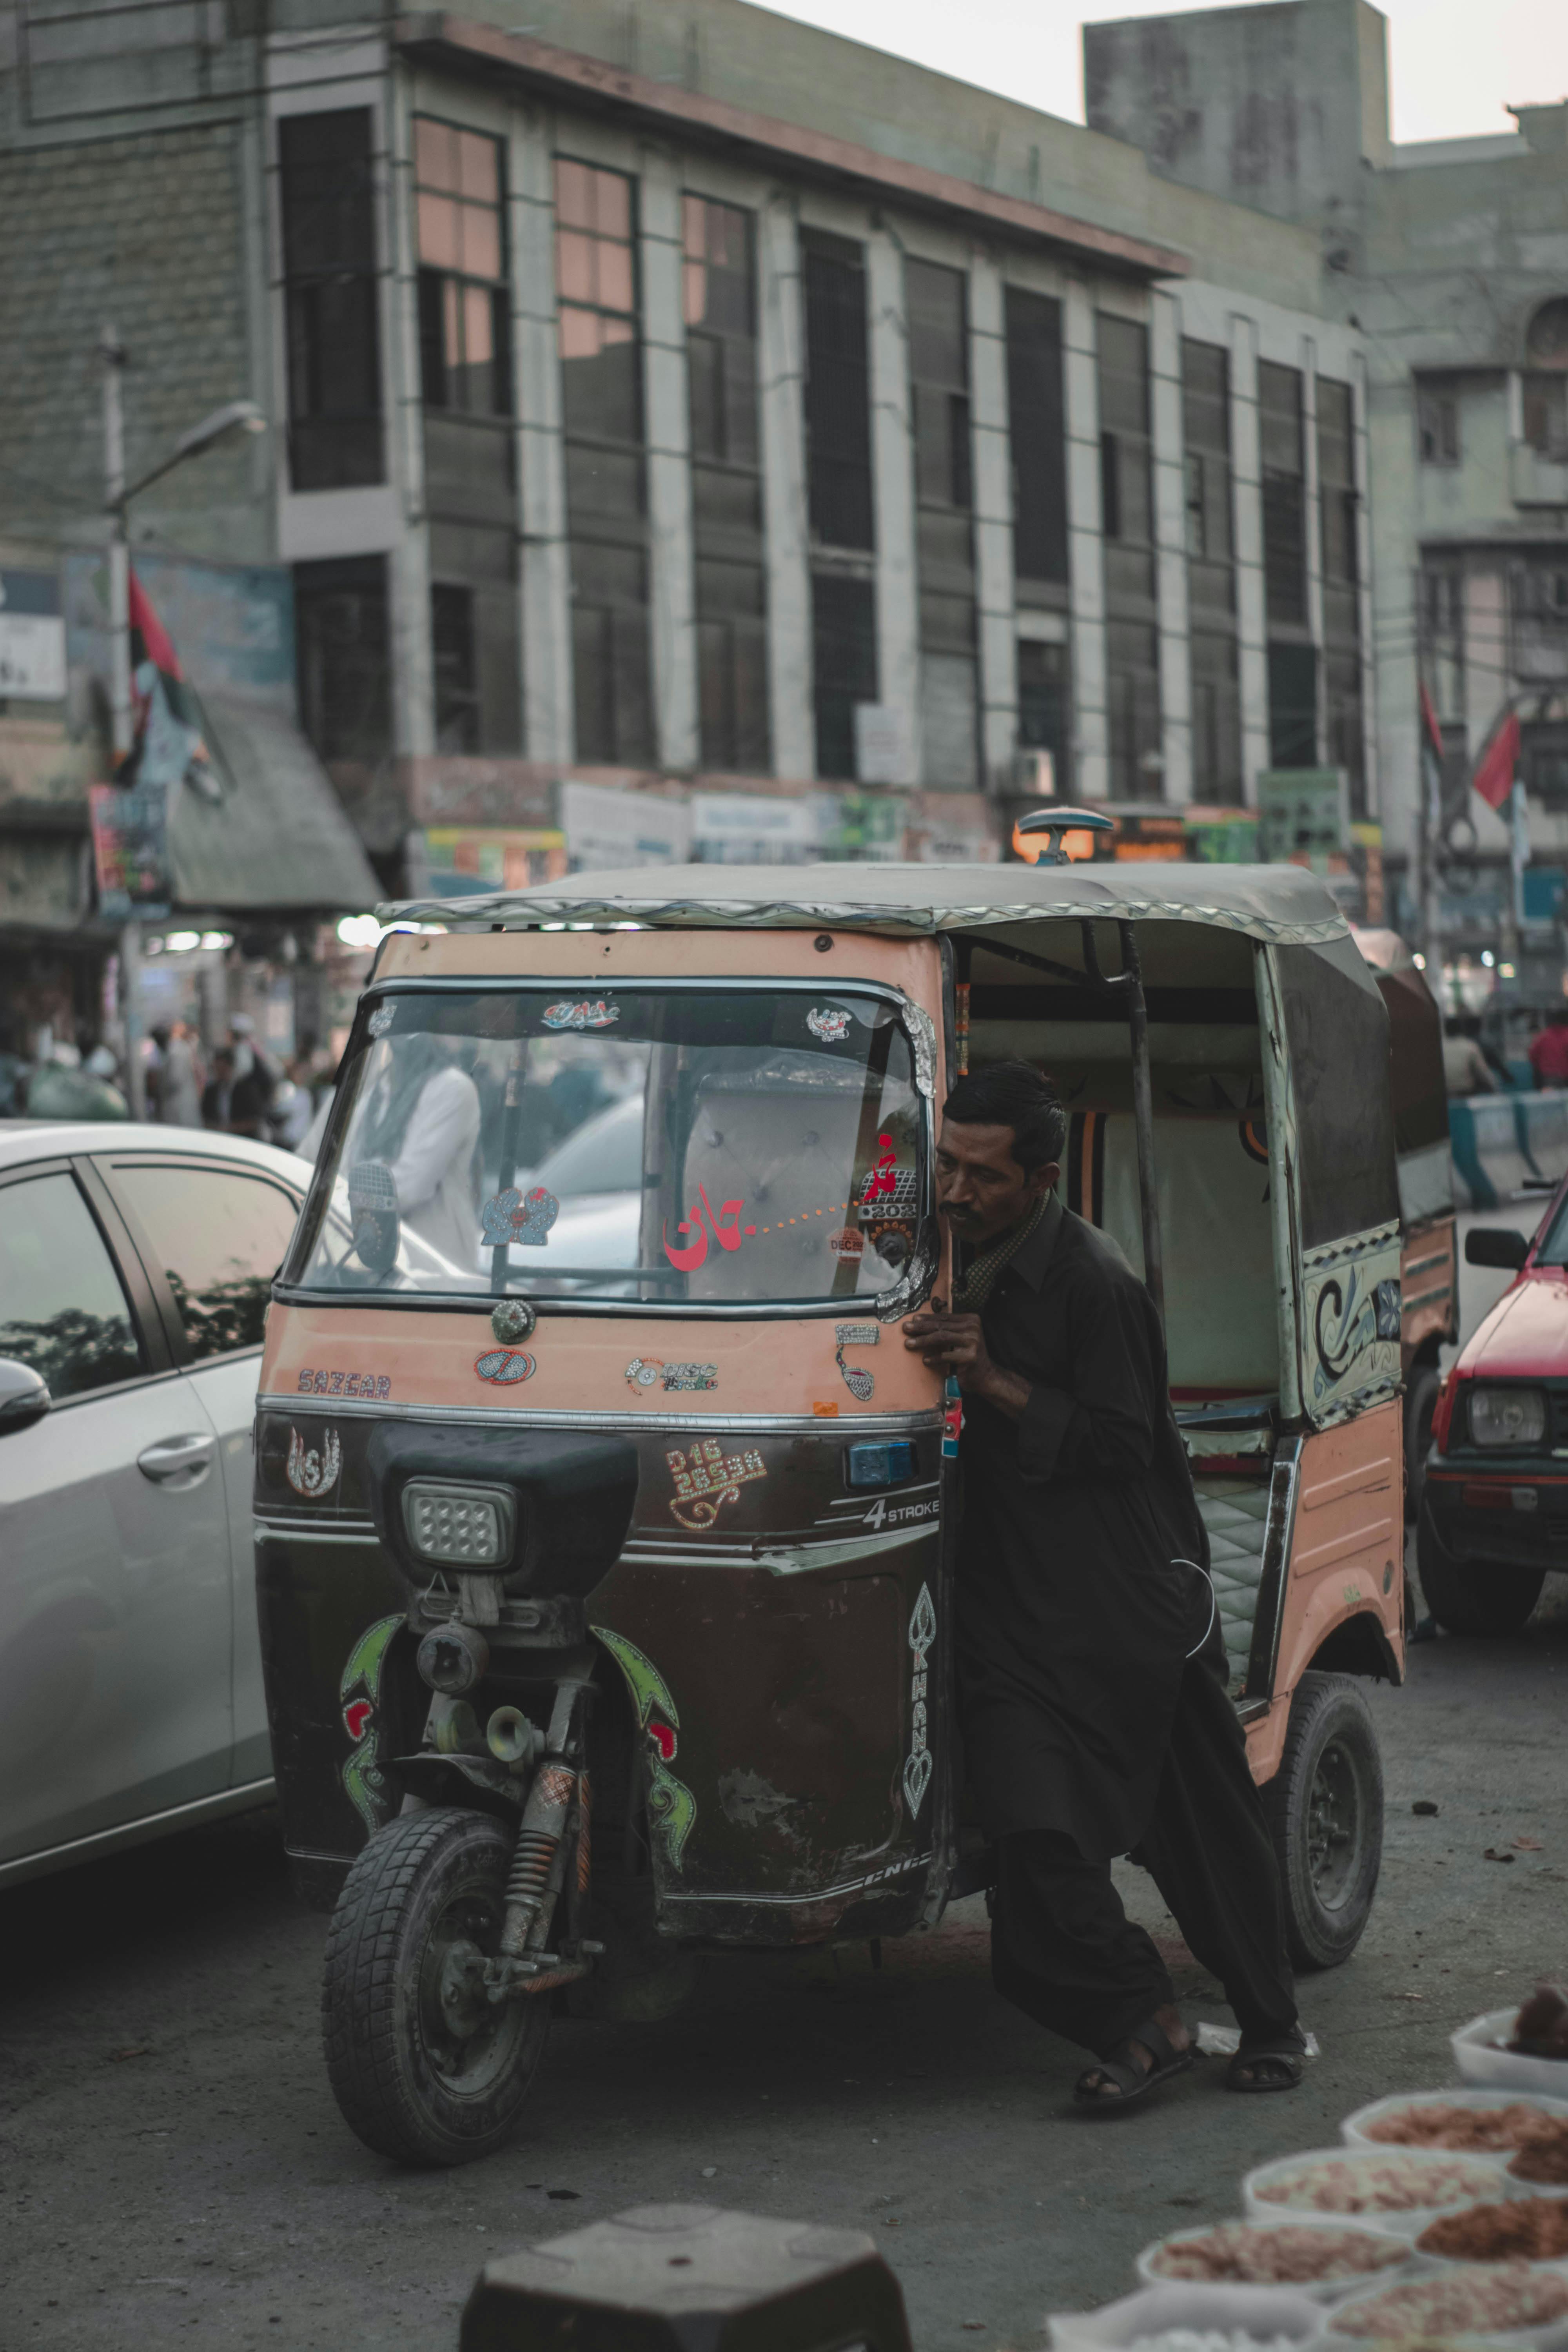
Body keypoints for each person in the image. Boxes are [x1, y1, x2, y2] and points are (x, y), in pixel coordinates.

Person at [902, 1060, 1304, 2111]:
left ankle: (1272, 2020)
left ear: (1038, 1179)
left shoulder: (1095, 1282)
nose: (954, 1190)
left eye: (980, 1176)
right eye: (946, 1163)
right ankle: (1145, 2020)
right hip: (1012, 1605)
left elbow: (1128, 1445)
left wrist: (990, 1378)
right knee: (1035, 1830)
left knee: (1205, 1829)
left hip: (1126, 1599)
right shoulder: (944, 1239)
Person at [352, 1033, 482, 1272]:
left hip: (435, 1268)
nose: (405, 1040)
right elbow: (341, 1169)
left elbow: (411, 1186)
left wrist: (351, 1195)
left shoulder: (451, 1088)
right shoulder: (376, 1093)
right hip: (376, 1263)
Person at [1443, 1014, 1498, 1098]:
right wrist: (1495, 1090)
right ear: (1462, 1029)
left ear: (1445, 1030)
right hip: (1466, 1094)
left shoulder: (1439, 1047)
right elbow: (1483, 1074)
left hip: (1444, 1095)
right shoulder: (1470, 1047)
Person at [1528, 1007, 1568, 1092]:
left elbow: (1533, 1054)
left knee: (1549, 1102)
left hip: (1549, 1077)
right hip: (1565, 1076)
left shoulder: (1544, 1036)